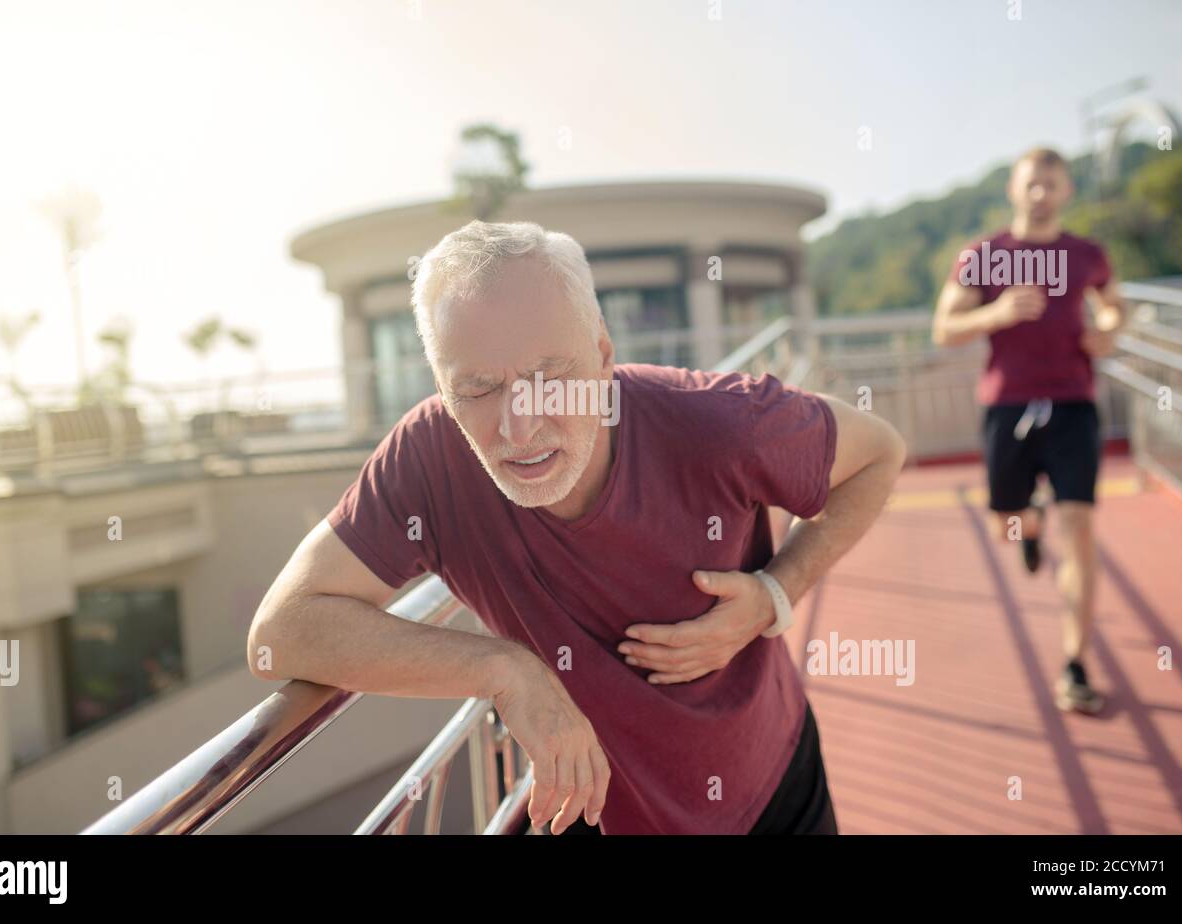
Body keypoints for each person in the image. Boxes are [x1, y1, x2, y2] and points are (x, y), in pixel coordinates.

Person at [249, 220, 906, 834]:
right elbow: (280, 635)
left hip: (772, 795)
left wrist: (776, 593)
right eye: (476, 387)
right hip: (592, 815)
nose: (519, 427)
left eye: (549, 377)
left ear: (602, 356)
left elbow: (879, 452)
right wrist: (505, 671)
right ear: (442, 388)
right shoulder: (429, 454)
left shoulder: (714, 423)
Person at [932, 147, 1123, 715]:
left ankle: (1075, 663)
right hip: (1007, 407)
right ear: (1014, 190)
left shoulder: (1087, 254)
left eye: (1052, 184)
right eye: (1032, 184)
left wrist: (1108, 329)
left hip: (1072, 405)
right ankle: (1028, 527)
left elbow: (1114, 306)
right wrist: (995, 313)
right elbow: (943, 328)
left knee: (1082, 527)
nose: (1041, 193)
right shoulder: (985, 256)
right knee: (1007, 526)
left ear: (1066, 191)